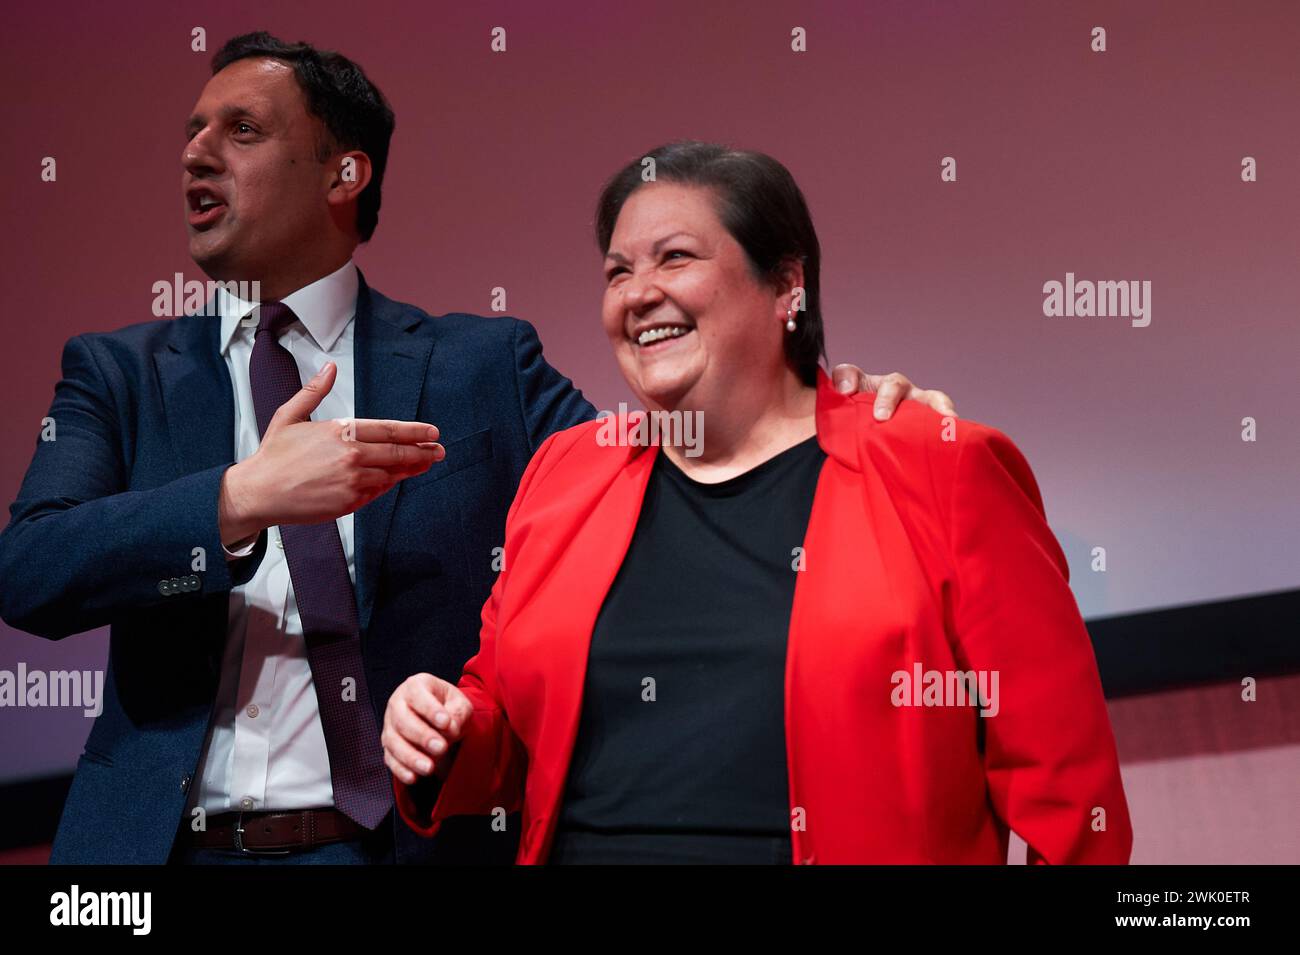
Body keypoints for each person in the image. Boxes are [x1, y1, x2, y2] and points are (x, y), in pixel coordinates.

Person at [0, 37, 949, 865]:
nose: (196, 152)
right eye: (192, 132)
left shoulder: (481, 364)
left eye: (241, 130)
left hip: (407, 846)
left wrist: (817, 407)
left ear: (345, 174)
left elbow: (658, 475)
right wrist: (237, 499)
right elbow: (30, 568)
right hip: (158, 859)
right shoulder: (119, 372)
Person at [384, 142, 1133, 864]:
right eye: (617, 271)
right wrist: (447, 730)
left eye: (675, 257)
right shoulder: (565, 475)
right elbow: (505, 721)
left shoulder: (937, 466)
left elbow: (1071, 794)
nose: (638, 292)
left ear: (787, 287)